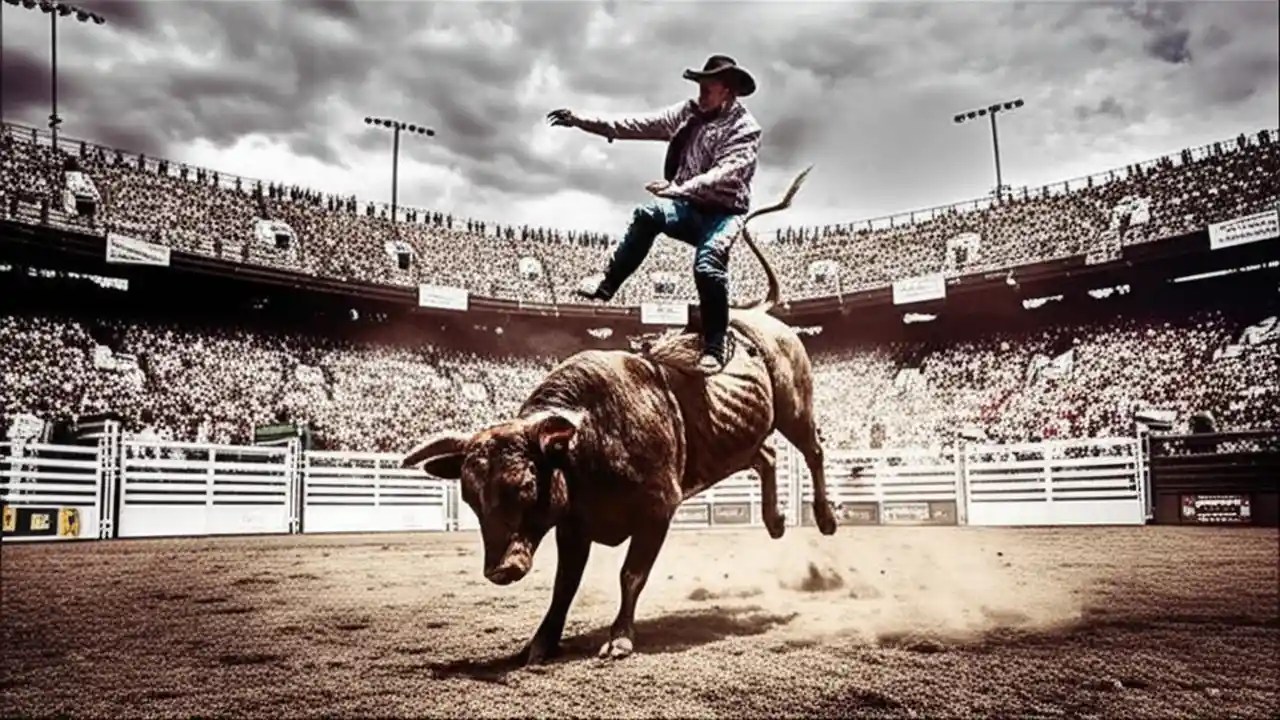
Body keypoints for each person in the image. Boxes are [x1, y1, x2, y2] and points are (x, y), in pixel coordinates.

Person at [547, 54, 763, 374]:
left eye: (709, 87)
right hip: (689, 207)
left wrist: (679, 189)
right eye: (700, 85)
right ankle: (607, 284)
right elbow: (636, 124)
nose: (701, 92)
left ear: (728, 91)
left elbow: (726, 172)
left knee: (708, 265)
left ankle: (715, 346)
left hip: (724, 214)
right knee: (648, 214)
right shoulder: (687, 114)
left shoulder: (745, 129)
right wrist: (581, 119)